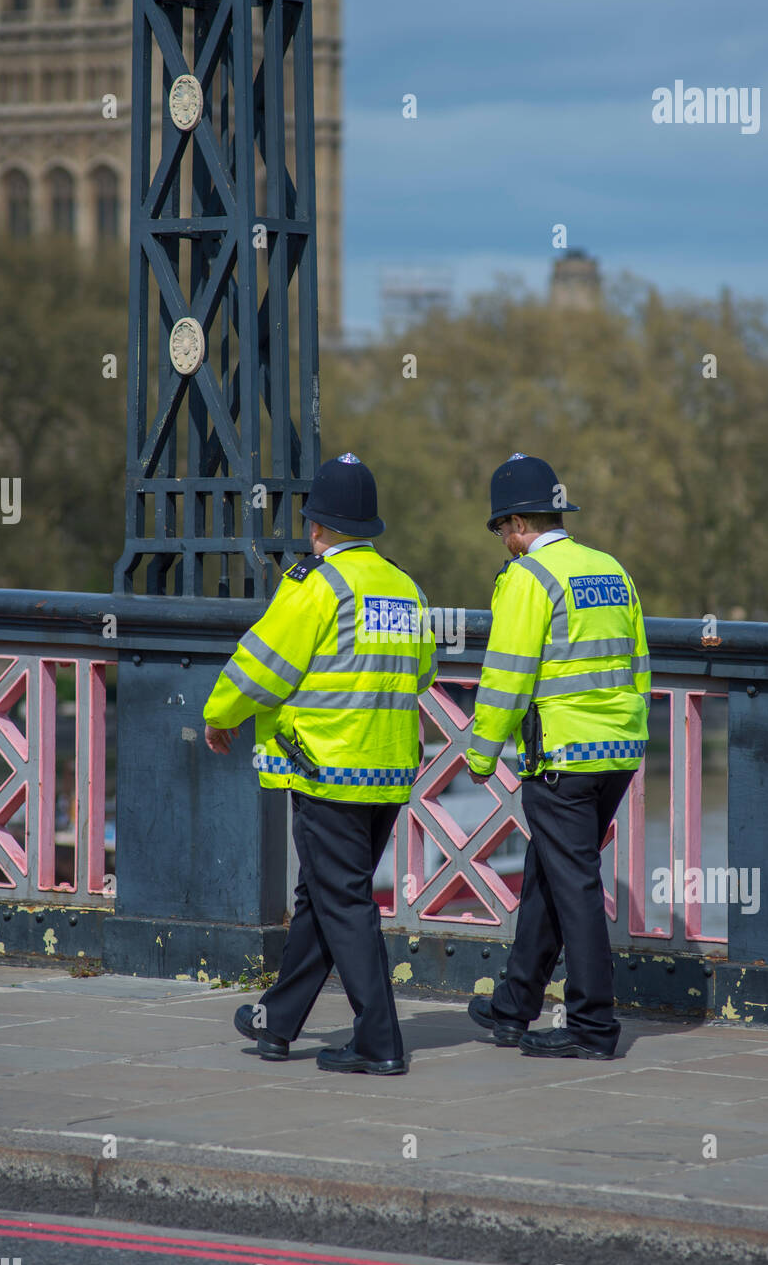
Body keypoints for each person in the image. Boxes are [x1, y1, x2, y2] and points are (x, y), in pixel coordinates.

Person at [203, 453, 437, 1076]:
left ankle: (380, 1041)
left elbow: (264, 663)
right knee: (325, 895)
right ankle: (279, 1022)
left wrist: (220, 713)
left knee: (345, 901)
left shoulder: (315, 584)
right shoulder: (405, 587)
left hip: (327, 768)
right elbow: (425, 674)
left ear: (316, 527)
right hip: (387, 770)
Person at [465, 453, 650, 1060]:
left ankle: (593, 1027)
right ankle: (514, 1008)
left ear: (518, 523)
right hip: (617, 750)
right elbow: (638, 664)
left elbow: (508, 676)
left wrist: (480, 754)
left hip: (562, 758)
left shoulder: (529, 578)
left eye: (501, 531)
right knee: (549, 875)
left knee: (573, 887)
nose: (504, 543)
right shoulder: (611, 568)